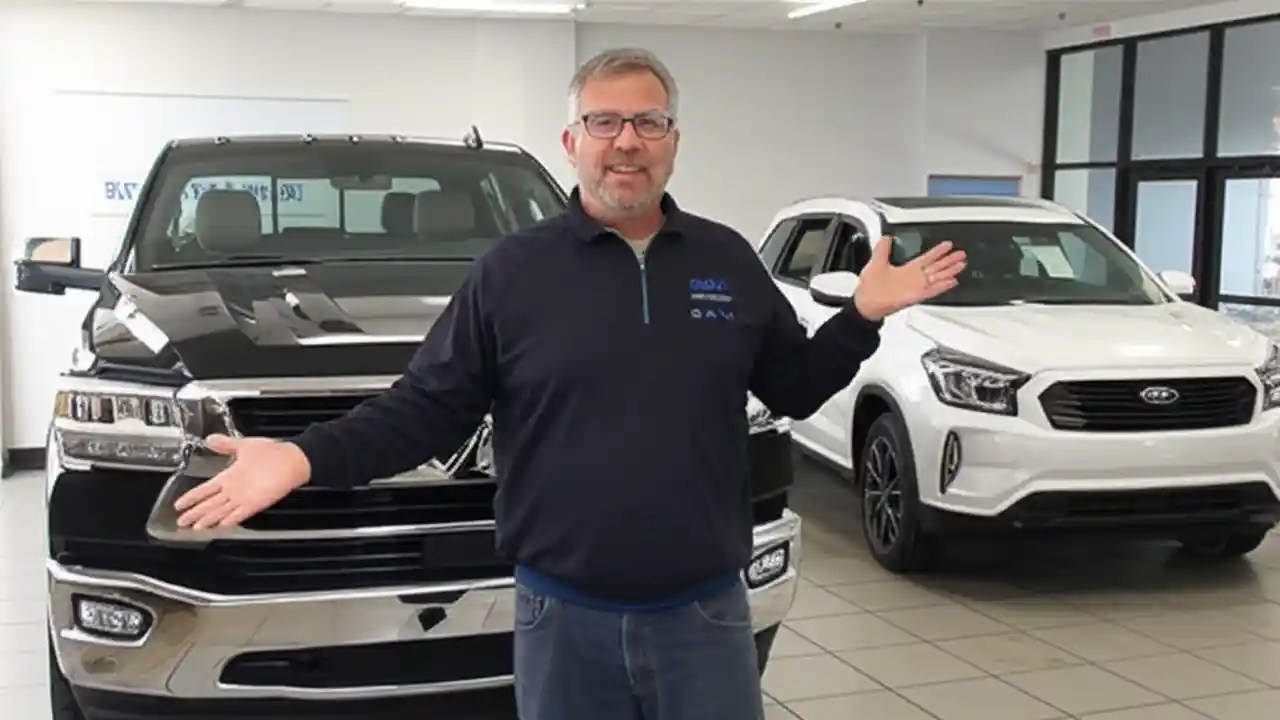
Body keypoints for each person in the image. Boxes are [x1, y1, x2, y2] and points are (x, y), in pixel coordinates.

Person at [172, 48, 965, 720]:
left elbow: (793, 387)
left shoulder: (727, 262)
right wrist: (303, 459)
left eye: (648, 123)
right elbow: (425, 411)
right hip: (563, 618)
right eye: (605, 123)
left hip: (707, 613)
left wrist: (860, 316)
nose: (628, 142)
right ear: (572, 141)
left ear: (674, 140)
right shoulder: (513, 275)